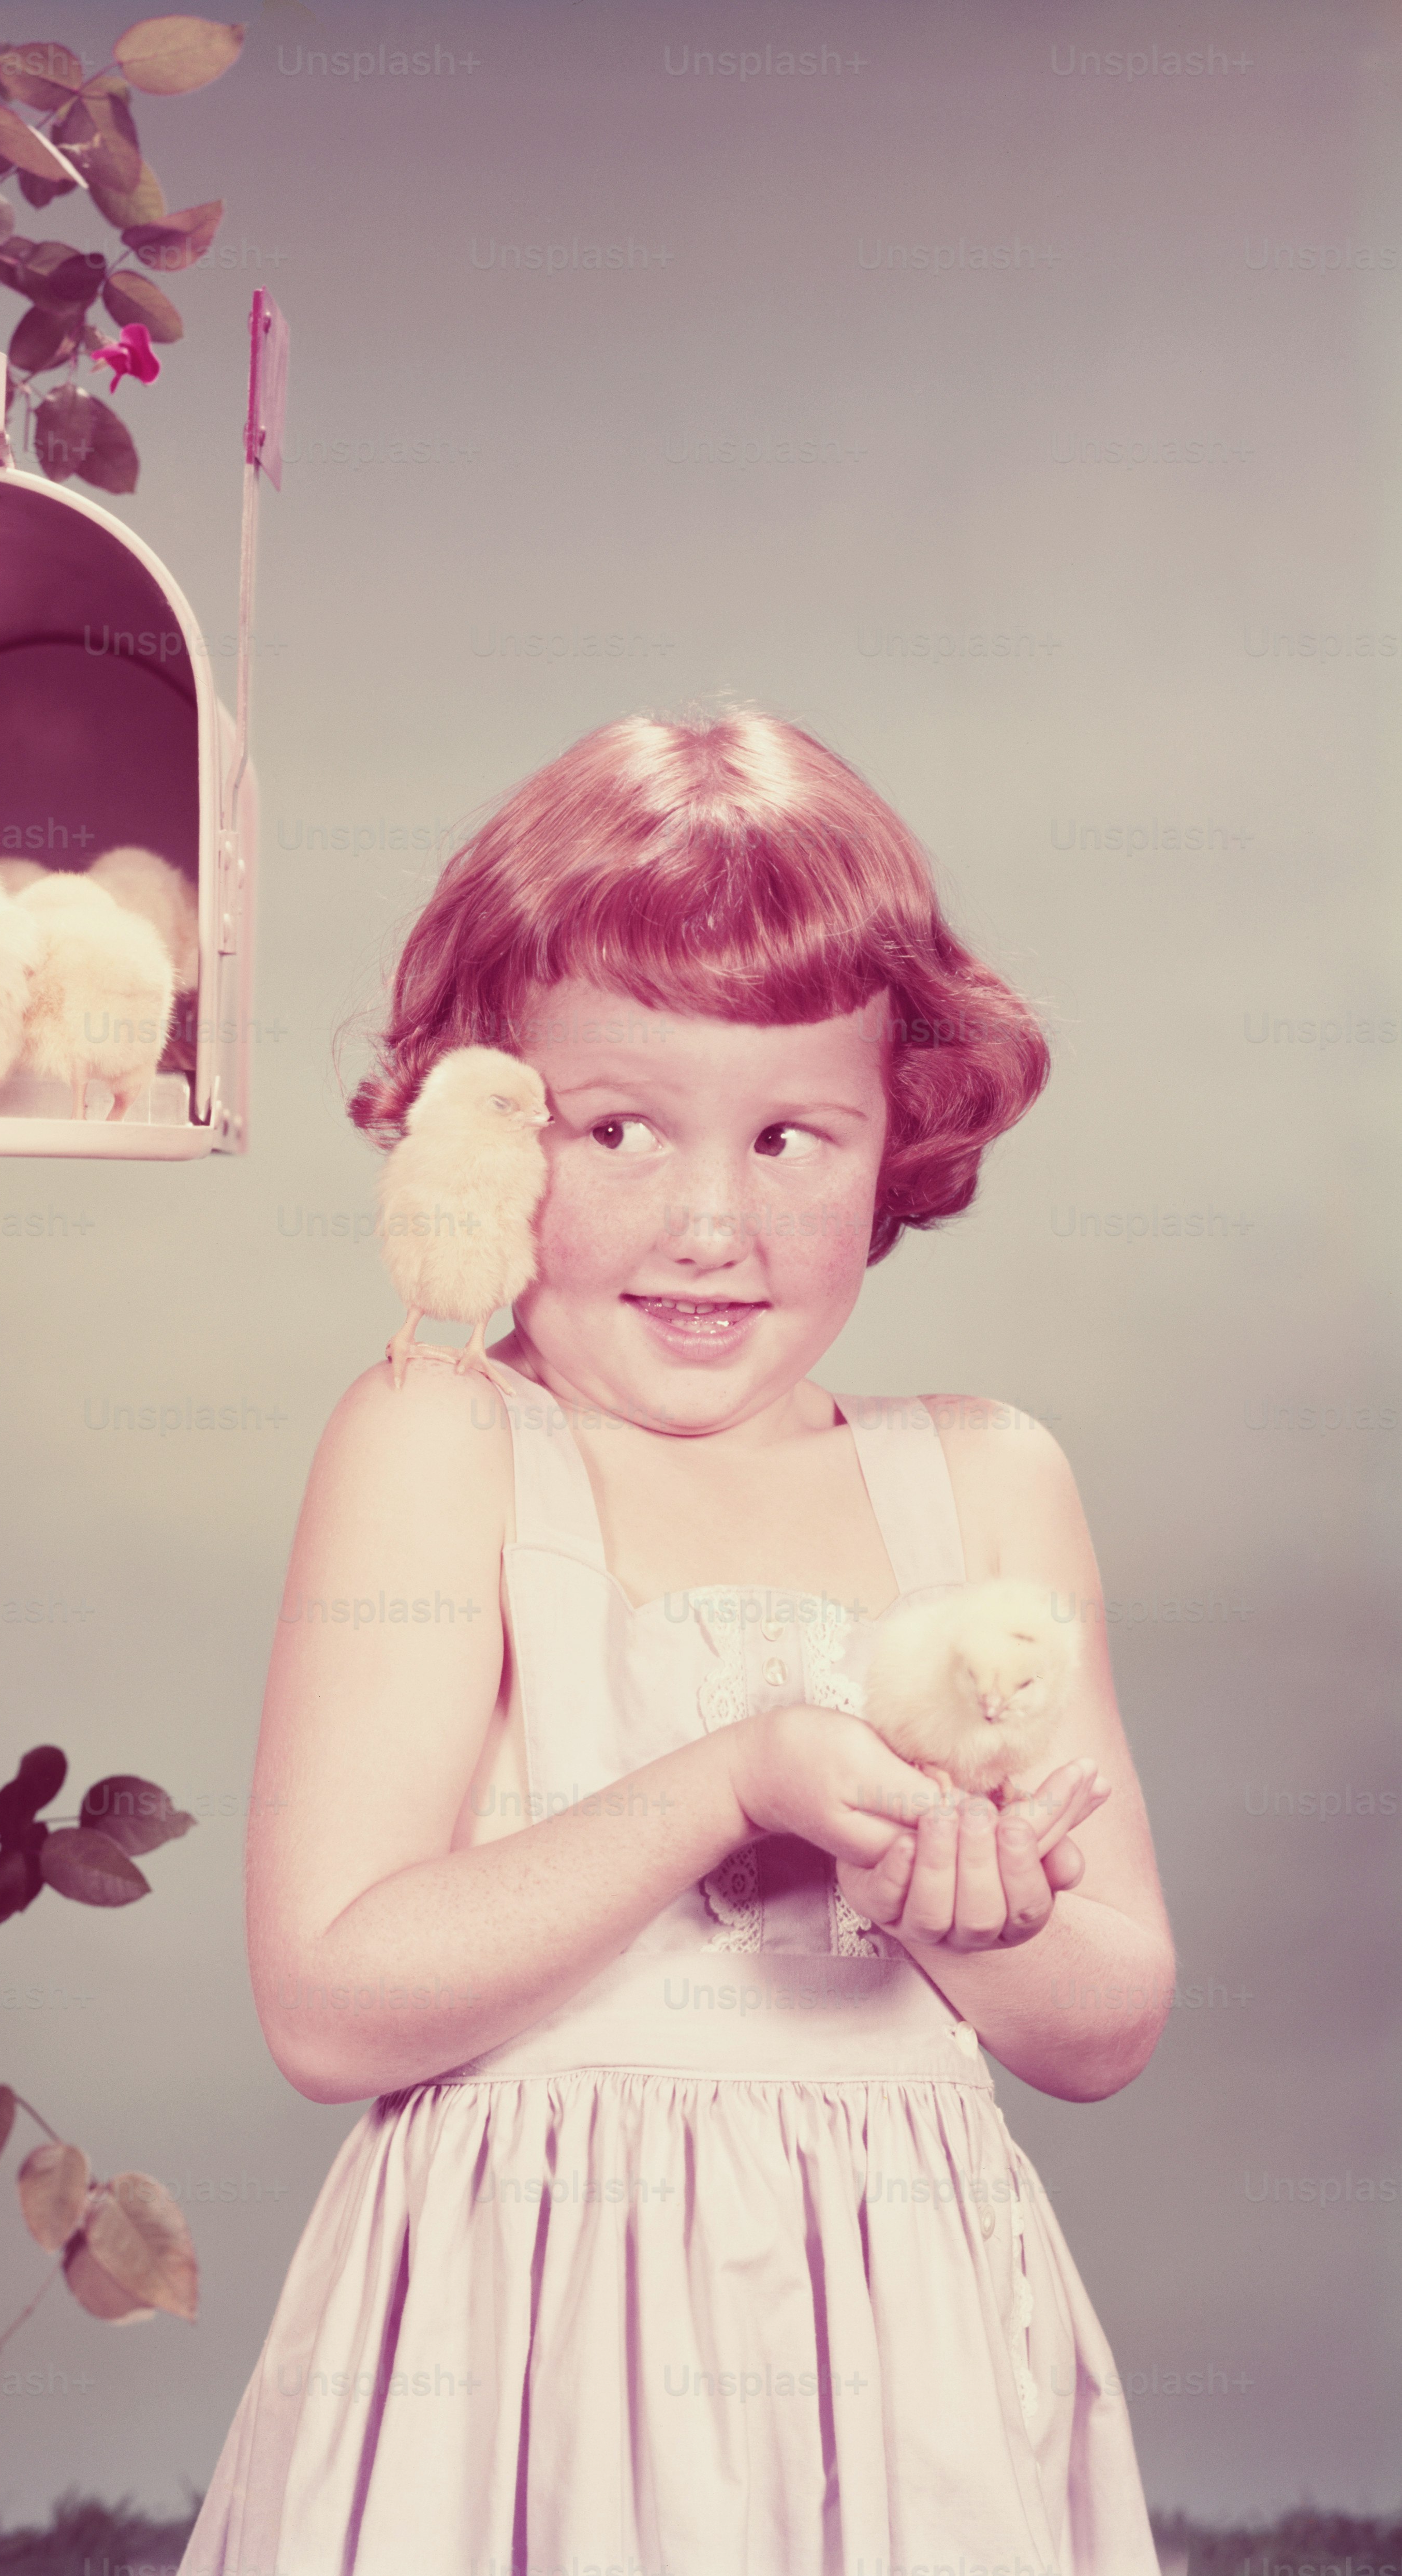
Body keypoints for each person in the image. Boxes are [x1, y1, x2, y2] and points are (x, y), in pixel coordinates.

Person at [182, 704, 1175, 2576]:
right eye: (617, 1125)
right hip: (520, 2357)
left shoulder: (984, 1479)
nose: (708, 1219)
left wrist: (988, 1918)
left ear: (899, 1139)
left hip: (894, 2369)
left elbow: (1106, 2023)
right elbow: (327, 2000)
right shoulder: (442, 1442)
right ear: (486, 1130)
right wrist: (735, 1779)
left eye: (792, 1133)